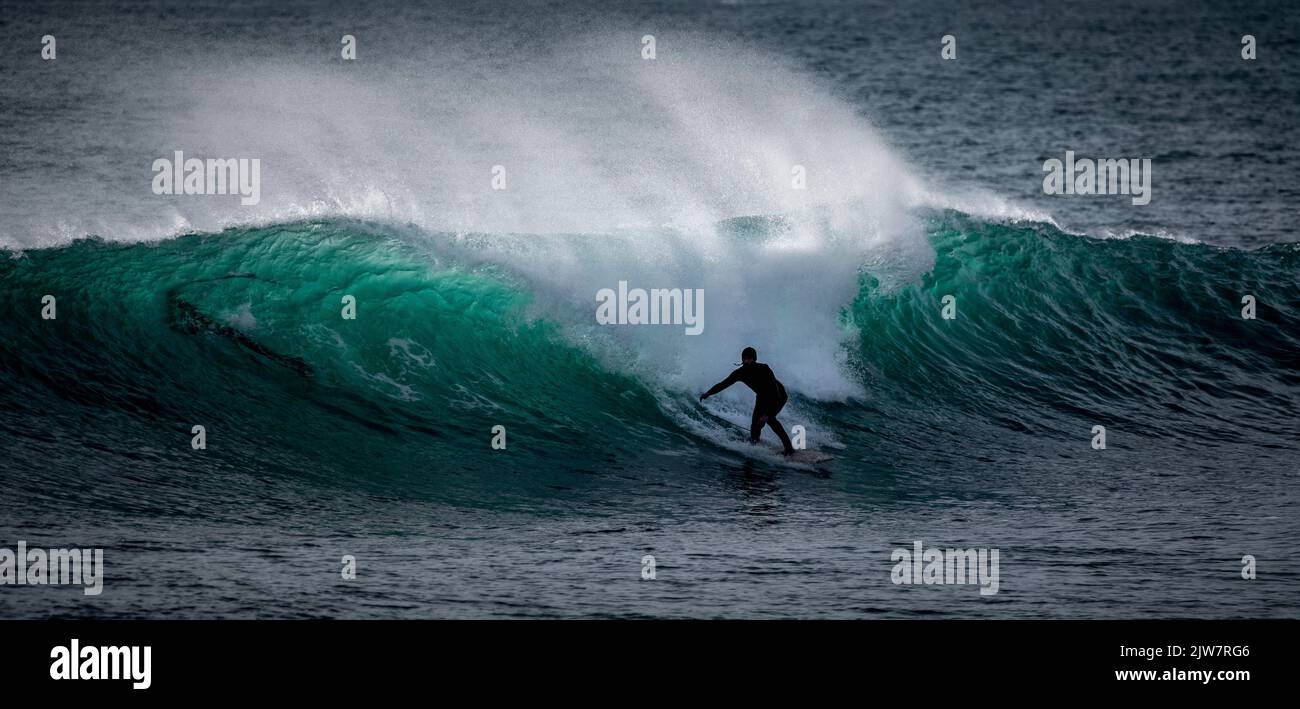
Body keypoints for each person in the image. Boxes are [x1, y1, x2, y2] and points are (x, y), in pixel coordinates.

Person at [700, 347, 795, 455]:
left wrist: (768, 413)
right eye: (745, 359)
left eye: (750, 359)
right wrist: (709, 393)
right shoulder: (740, 373)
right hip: (762, 396)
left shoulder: (764, 369)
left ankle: (789, 448)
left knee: (770, 419)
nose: (747, 361)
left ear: (754, 359)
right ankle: (754, 443)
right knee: (755, 424)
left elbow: (775, 392)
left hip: (778, 395)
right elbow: (724, 384)